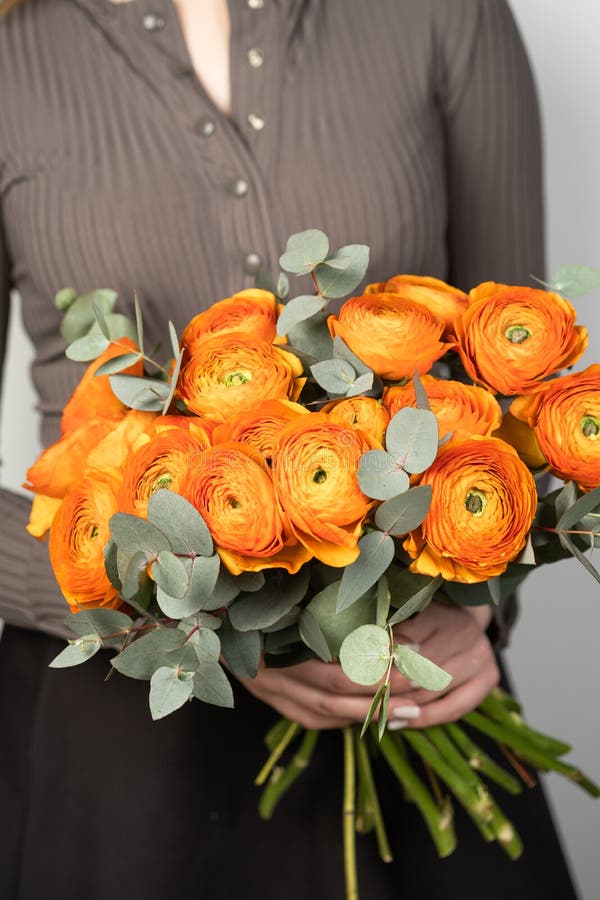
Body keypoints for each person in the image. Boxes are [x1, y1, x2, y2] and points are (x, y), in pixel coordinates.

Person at [0, 1, 579, 898]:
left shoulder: (446, 14)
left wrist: (472, 612)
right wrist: (167, 609)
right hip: (125, 748)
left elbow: (523, 394)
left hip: (407, 693)